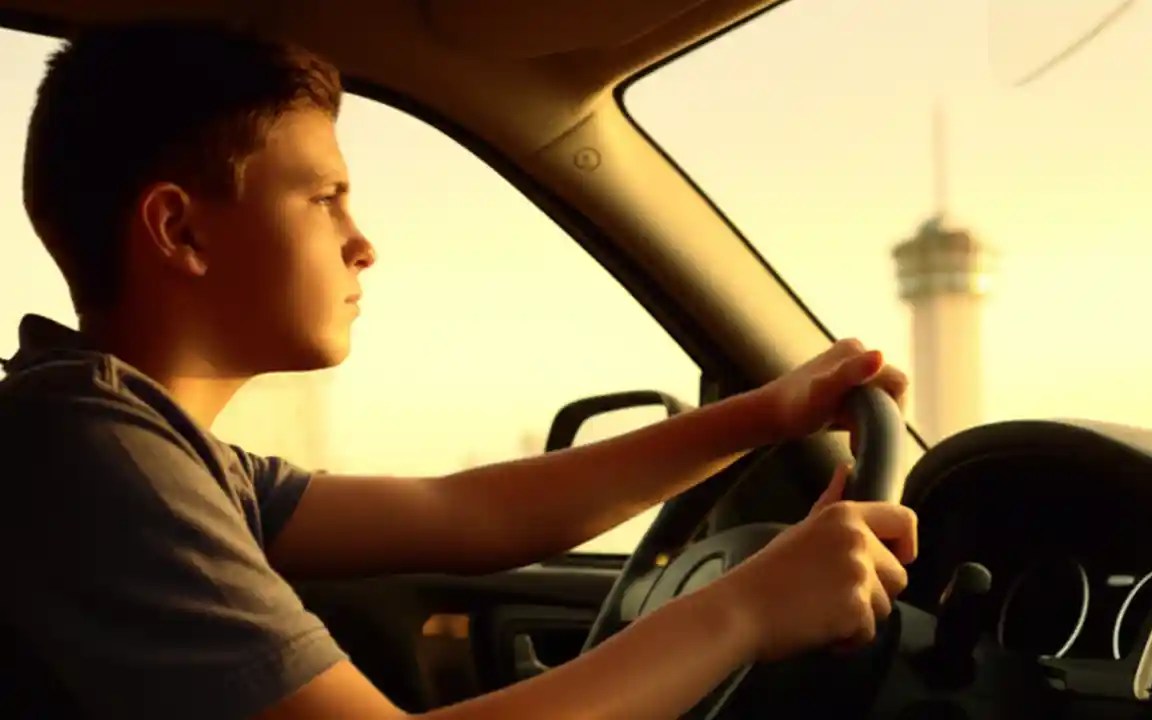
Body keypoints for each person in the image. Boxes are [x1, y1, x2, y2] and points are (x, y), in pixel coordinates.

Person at [0, 20, 917, 720]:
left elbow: (467, 514)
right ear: (179, 231)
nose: (363, 245)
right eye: (324, 198)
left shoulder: (148, 444)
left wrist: (764, 414)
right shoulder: (90, 450)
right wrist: (745, 611)